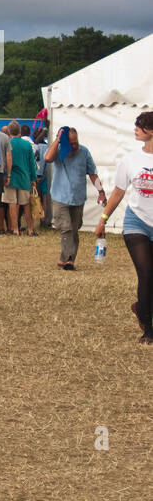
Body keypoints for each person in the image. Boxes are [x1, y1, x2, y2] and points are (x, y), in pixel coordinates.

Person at [95, 112, 153, 343]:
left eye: (141, 126)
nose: (136, 129)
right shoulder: (131, 160)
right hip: (136, 222)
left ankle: (141, 307)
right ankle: (149, 329)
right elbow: (119, 191)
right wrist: (103, 219)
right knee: (146, 274)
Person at [45, 125, 106, 270]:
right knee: (65, 228)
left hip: (78, 197)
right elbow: (47, 158)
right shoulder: (59, 151)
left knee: (73, 229)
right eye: (70, 143)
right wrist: (58, 140)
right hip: (60, 196)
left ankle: (64, 258)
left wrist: (101, 191)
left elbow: (93, 174)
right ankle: (69, 260)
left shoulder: (84, 152)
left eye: (75, 142)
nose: (74, 146)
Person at [3, 121, 37, 236]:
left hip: (11, 177)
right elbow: (32, 163)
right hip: (24, 177)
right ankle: (30, 229)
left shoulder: (8, 143)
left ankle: (15, 229)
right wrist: (33, 178)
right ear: (20, 131)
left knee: (12, 204)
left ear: (9, 132)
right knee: (26, 204)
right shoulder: (27, 145)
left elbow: (5, 161)